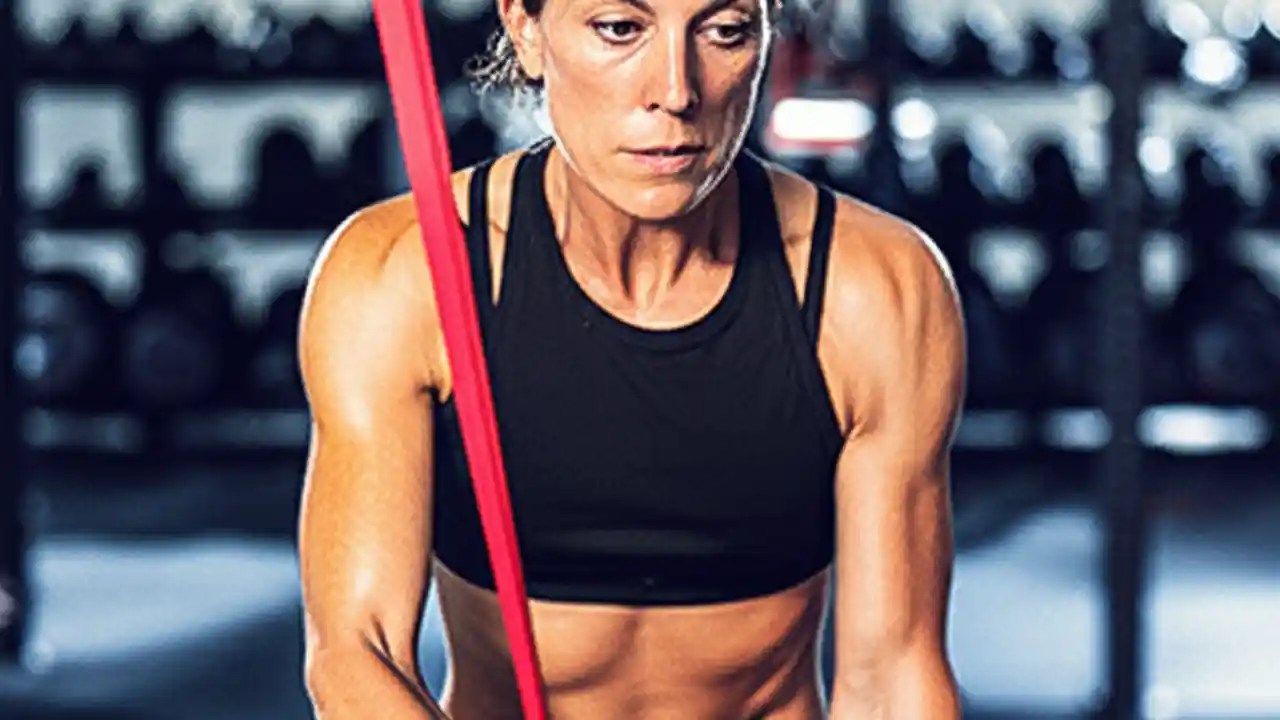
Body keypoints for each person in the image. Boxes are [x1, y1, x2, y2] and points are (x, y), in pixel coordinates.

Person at [297, 0, 966, 715]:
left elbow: (892, 677)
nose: (675, 91)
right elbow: (356, 651)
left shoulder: (876, 290)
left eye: (725, 31)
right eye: (620, 27)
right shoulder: (404, 274)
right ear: (525, 29)